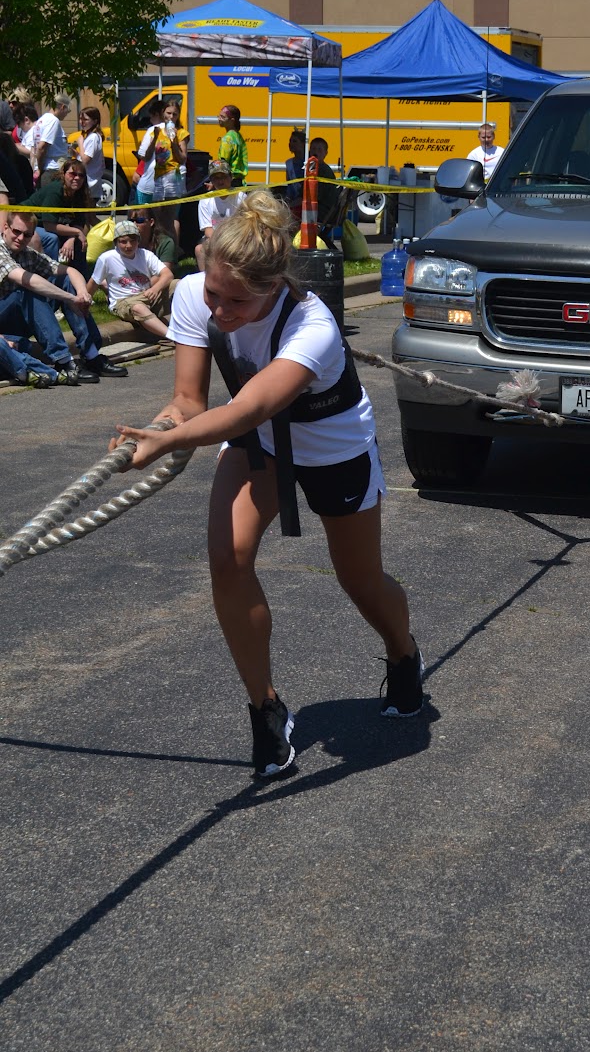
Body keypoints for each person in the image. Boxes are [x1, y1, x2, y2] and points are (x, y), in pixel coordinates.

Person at [114, 190, 424, 780]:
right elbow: (187, 402)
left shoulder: (314, 324)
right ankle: (265, 710)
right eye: (214, 294)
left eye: (238, 302)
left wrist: (171, 441)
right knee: (227, 559)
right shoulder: (192, 293)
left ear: (274, 286)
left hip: (331, 442)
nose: (221, 311)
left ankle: (403, 651)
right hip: (260, 442)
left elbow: (251, 404)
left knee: (359, 579)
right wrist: (151, 433)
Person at [0, 211, 126, 381]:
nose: (21, 238)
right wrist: (69, 298)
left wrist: (82, 293)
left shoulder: (27, 254)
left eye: (27, 234)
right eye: (17, 232)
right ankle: (62, 360)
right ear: (5, 228)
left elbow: (69, 270)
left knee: (65, 279)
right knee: (27, 290)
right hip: (4, 322)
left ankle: (91, 355)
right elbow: (26, 279)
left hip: (17, 318)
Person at [88, 218, 174, 343]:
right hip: (124, 301)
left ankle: (195, 325)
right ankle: (173, 336)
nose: (128, 246)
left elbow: (168, 274)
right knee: (138, 308)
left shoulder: (145, 254)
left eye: (133, 241)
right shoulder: (107, 258)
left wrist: (156, 288)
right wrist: (84, 302)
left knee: (179, 285)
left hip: (147, 294)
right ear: (116, 242)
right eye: (123, 242)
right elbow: (93, 282)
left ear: (138, 241)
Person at [23, 155, 98, 271]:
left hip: (45, 225)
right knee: (51, 238)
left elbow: (78, 222)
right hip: (26, 222)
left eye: (81, 175)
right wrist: (77, 232)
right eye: (72, 174)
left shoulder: (79, 194)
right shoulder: (55, 191)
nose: (77, 178)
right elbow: (49, 225)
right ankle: (51, 275)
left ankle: (81, 280)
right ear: (63, 174)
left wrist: (72, 238)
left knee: (79, 241)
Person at [138, 98, 188, 240]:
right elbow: (146, 157)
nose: (171, 117)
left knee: (169, 220)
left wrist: (174, 143)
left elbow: (182, 158)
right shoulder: (156, 131)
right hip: (158, 178)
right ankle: (159, 253)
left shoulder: (181, 133)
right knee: (158, 221)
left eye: (175, 114)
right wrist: (153, 140)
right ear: (163, 113)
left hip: (173, 177)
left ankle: (172, 256)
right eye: (168, 113)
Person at [195, 161, 244, 269]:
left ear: (231, 177)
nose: (220, 181)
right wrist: (221, 243)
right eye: (216, 178)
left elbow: (244, 226)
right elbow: (207, 230)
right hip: (214, 239)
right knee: (200, 250)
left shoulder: (241, 197)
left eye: (223, 177)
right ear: (211, 181)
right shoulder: (205, 200)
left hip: (236, 238)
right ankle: (204, 279)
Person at [30, 97, 72, 179]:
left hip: (44, 170)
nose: (67, 114)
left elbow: (33, 149)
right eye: (68, 111)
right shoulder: (53, 120)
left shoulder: (41, 120)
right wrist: (40, 168)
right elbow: (41, 147)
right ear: (63, 107)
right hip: (52, 170)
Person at [129, 208, 179, 273]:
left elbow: (165, 274)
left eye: (140, 220)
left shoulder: (166, 243)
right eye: (131, 221)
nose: (134, 224)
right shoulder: (125, 243)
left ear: (151, 222)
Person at [75, 107, 106, 201]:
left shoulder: (93, 137)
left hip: (90, 183)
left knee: (87, 213)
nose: (82, 122)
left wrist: (80, 144)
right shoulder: (89, 136)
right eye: (80, 119)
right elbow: (83, 157)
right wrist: (75, 153)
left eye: (86, 119)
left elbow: (85, 160)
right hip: (88, 182)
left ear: (95, 121)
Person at [217, 105, 248, 187]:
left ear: (232, 120)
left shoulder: (227, 139)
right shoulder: (238, 136)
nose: (219, 119)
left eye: (223, 117)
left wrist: (214, 181)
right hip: (239, 181)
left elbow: (223, 163)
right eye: (219, 116)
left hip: (229, 181)